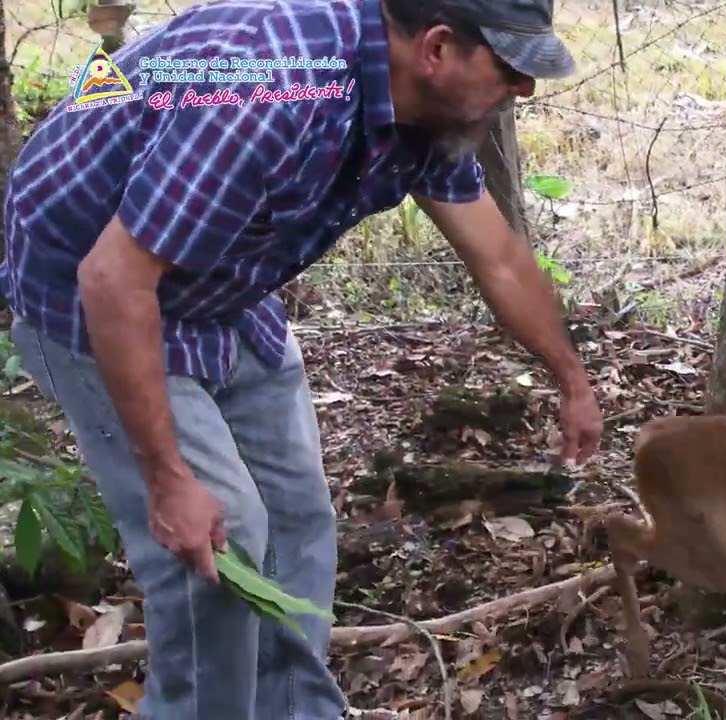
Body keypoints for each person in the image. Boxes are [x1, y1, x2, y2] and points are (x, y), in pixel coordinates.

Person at [0, 0, 603, 716]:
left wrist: (571, 378)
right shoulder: (269, 91)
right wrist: (167, 480)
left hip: (225, 282)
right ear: (438, 48)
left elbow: (499, 258)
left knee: (295, 523)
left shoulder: (421, 111)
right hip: (91, 288)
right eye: (509, 68)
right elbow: (114, 280)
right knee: (219, 552)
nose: (523, 89)